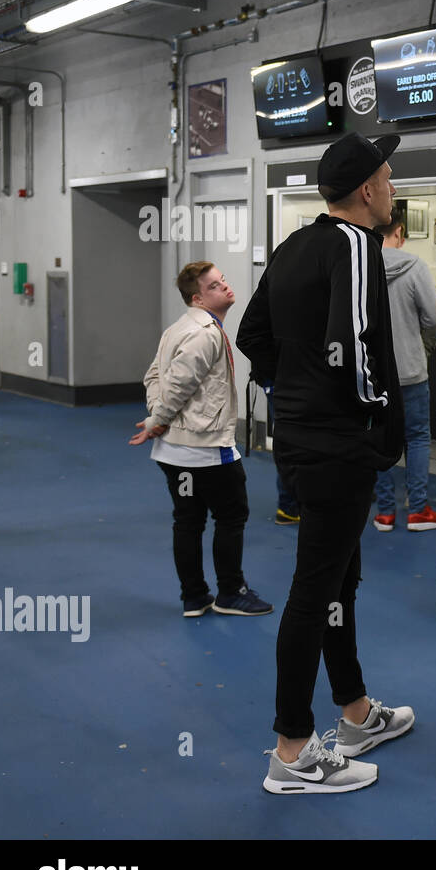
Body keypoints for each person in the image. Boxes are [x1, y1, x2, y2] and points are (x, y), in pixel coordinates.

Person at [238, 132, 414, 795]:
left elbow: (254, 336)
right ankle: (291, 750)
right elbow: (358, 341)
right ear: (367, 190)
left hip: (304, 438)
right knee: (316, 592)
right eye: (389, 178)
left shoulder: (292, 247)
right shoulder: (355, 244)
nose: (393, 188)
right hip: (341, 444)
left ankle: (355, 711)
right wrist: (371, 422)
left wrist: (299, 393)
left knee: (338, 582)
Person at [131, 262, 270, 618]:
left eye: (222, 280)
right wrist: (157, 420)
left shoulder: (180, 327)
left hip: (175, 452)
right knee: (231, 516)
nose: (225, 287)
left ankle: (194, 597)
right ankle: (230, 593)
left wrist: (159, 418)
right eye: (214, 286)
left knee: (188, 521)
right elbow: (177, 385)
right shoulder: (204, 333)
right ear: (198, 298)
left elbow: (154, 376)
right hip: (205, 449)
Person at [372, 206, 436, 534]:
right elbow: (433, 317)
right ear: (399, 232)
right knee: (417, 437)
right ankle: (417, 510)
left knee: (378, 438)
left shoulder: (361, 264)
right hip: (411, 369)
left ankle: (384, 513)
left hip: (373, 373)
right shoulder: (414, 265)